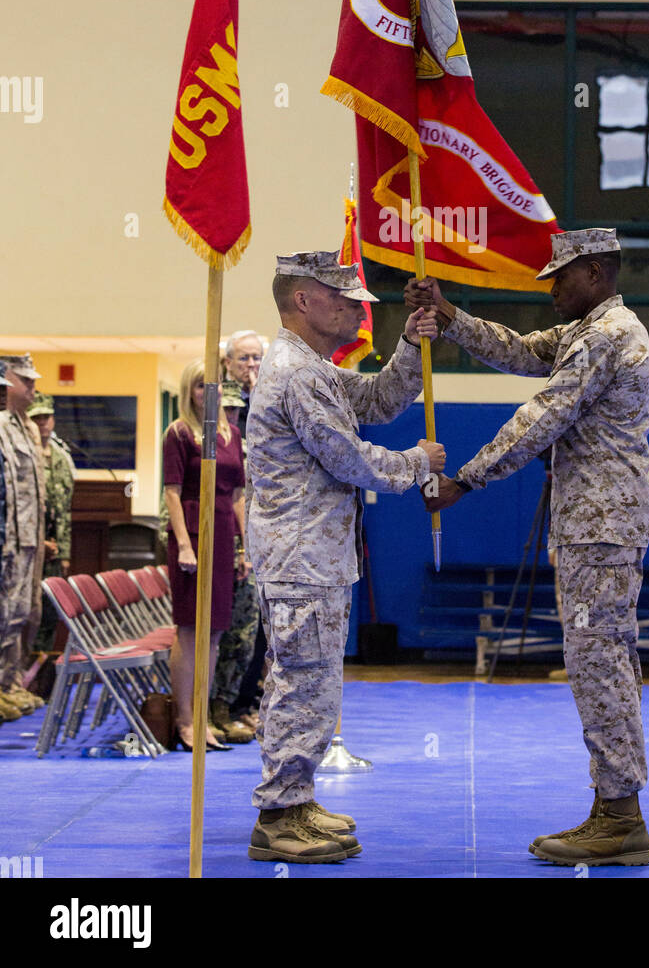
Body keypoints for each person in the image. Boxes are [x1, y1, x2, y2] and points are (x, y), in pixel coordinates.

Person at [406, 228, 649, 869]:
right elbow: (518, 351)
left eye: (561, 277)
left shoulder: (605, 335)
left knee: (599, 662)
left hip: (601, 523)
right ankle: (615, 809)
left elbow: (544, 413)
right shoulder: (588, 329)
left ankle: (620, 817)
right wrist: (450, 315)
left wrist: (467, 477)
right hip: (594, 521)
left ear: (597, 273)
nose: (551, 289)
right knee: (601, 659)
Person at [245, 250, 444, 865]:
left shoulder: (314, 368)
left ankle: (296, 798)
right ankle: (278, 814)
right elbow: (347, 456)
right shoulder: (296, 372)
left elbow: (380, 399)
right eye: (342, 298)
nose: (357, 307)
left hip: (315, 555)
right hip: (300, 556)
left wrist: (411, 343)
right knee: (302, 683)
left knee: (315, 684)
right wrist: (418, 464)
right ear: (303, 300)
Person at [162, 360, 248, 751]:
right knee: (188, 629)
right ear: (188, 391)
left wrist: (246, 546)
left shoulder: (230, 434)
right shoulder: (179, 433)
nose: (205, 393)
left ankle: (202, 719)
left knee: (214, 633)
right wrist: (183, 543)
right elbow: (172, 493)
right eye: (199, 386)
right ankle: (184, 720)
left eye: (210, 385)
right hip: (193, 533)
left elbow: (238, 496)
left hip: (225, 533)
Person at [209, 377, 257, 744]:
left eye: (235, 410)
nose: (230, 416)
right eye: (224, 410)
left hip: (248, 552)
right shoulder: (205, 448)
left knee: (243, 635)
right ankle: (205, 708)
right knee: (213, 634)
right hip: (213, 550)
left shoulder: (247, 447)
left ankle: (227, 706)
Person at [0, 353, 46, 718]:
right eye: (25, 380)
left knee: (22, 613)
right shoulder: (2, 425)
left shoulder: (25, 425)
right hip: (10, 538)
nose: (33, 387)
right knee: (4, 614)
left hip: (29, 536)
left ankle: (10, 682)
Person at [28, 393, 75, 653]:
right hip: (30, 549)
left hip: (54, 553)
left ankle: (40, 675)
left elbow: (65, 511)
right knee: (26, 615)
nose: (43, 423)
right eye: (37, 418)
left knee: (49, 615)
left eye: (46, 417)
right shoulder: (23, 455)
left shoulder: (61, 458)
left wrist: (64, 553)